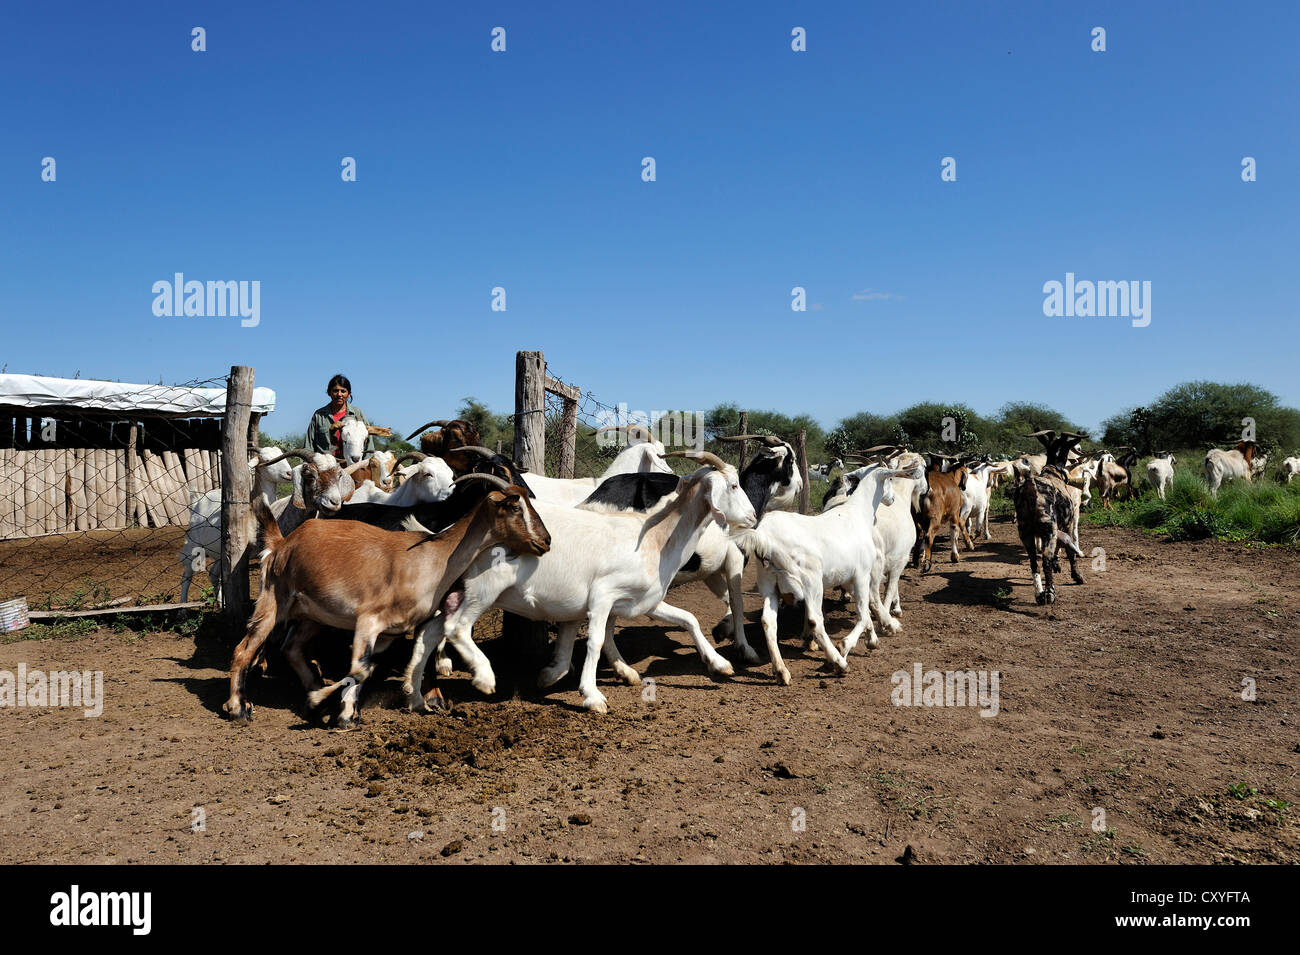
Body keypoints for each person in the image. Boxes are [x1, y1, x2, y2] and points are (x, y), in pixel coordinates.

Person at [306, 374, 376, 460]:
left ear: (349, 394)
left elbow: (369, 446)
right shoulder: (319, 415)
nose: (339, 394)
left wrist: (365, 466)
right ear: (329, 393)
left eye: (343, 391)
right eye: (335, 391)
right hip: (325, 467)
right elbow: (309, 446)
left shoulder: (358, 413)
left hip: (352, 465)